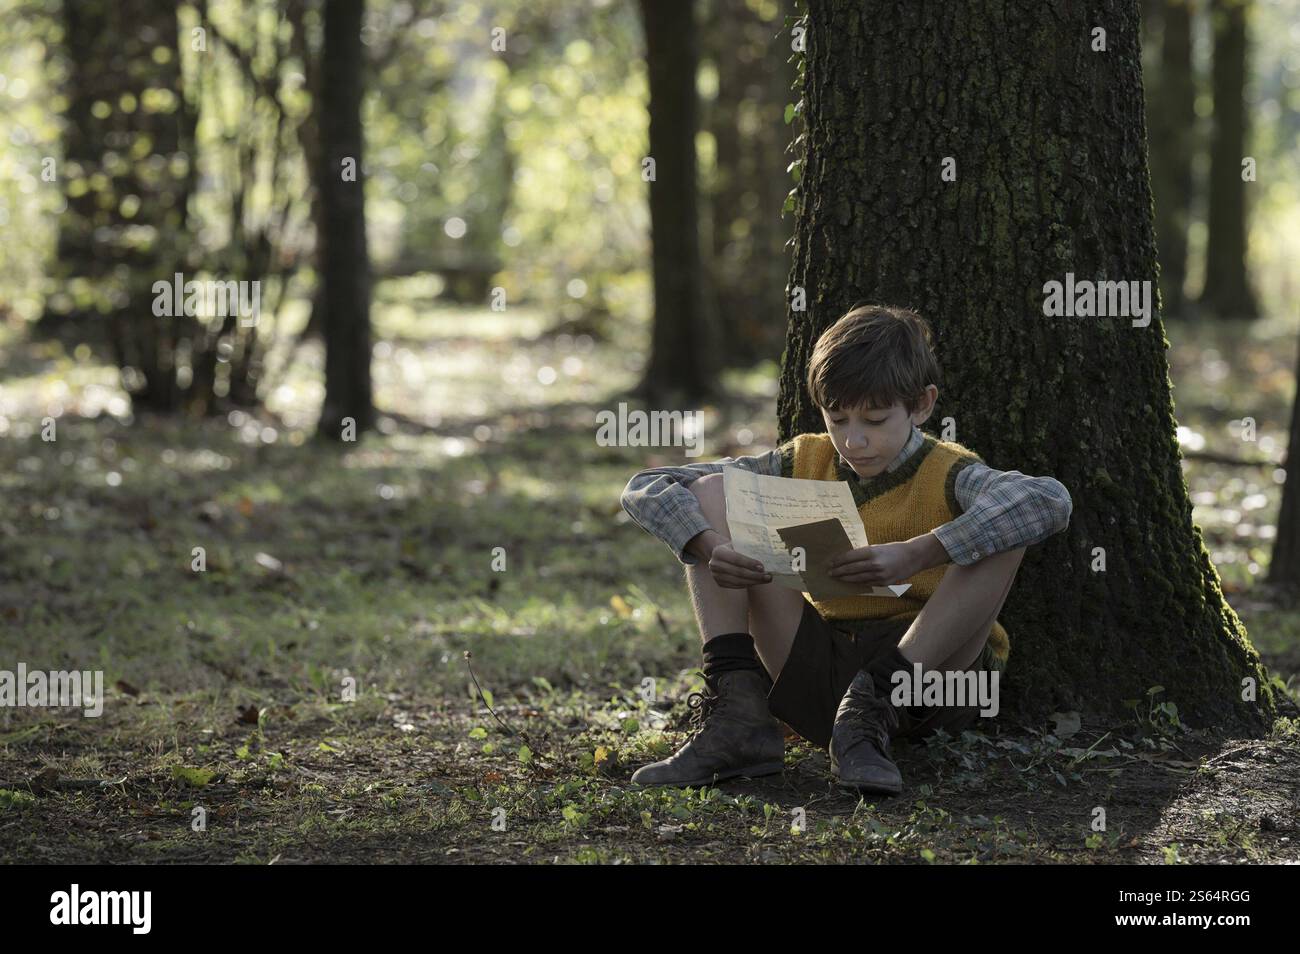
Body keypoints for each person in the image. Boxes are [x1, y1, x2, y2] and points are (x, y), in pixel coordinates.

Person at [619, 303, 1073, 794]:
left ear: (922, 405)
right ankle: (737, 713)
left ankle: (870, 709)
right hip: (820, 667)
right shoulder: (803, 459)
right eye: (838, 419)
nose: (854, 441)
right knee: (712, 490)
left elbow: (1047, 500)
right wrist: (710, 548)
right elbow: (650, 485)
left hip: (924, 681)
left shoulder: (949, 471)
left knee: (1005, 530)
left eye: (875, 420)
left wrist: (918, 553)